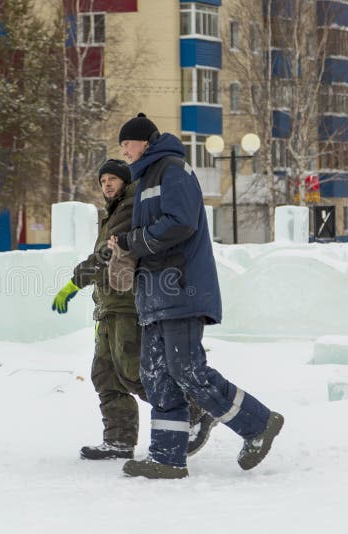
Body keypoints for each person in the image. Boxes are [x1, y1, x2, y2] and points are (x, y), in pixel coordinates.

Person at [108, 113, 284, 479]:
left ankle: (259, 424)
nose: (123, 149)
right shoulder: (144, 180)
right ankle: (167, 457)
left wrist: (134, 241)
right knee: (156, 375)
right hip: (155, 295)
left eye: (128, 142)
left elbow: (182, 221)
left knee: (186, 369)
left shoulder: (173, 170)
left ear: (145, 142)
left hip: (181, 289)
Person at [52, 159, 214, 460]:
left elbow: (106, 255)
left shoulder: (128, 209)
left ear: (125, 183)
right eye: (103, 181)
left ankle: (195, 412)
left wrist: (75, 282)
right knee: (105, 375)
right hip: (109, 307)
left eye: (113, 179)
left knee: (134, 374)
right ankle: (118, 440)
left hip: (127, 305)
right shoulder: (111, 213)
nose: (107, 185)